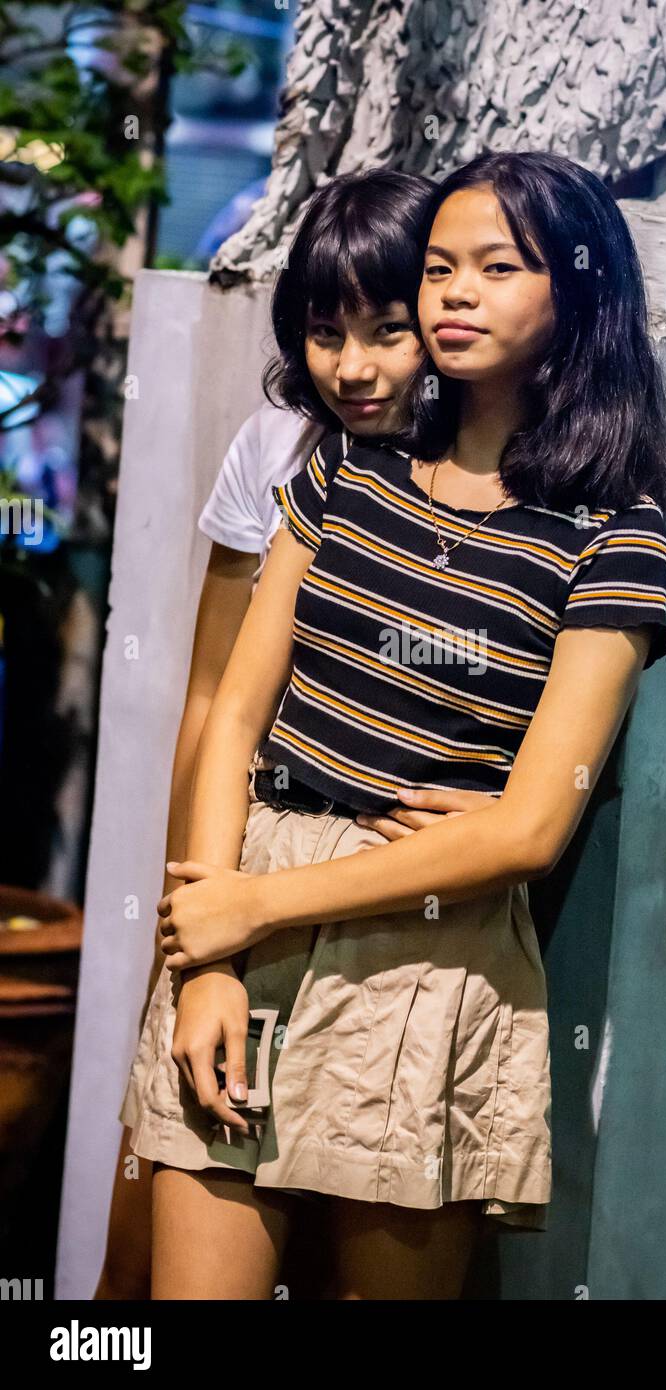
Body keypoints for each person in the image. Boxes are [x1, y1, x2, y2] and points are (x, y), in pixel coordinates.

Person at [123, 151, 666, 1300]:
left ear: (579, 295)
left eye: (495, 267)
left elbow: (528, 831)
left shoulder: (611, 536)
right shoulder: (344, 470)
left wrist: (248, 906)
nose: (454, 293)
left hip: (429, 949)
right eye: (438, 269)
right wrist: (210, 951)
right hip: (247, 921)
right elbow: (236, 714)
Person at [94, 167, 499, 1299]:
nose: (352, 365)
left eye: (386, 327)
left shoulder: (507, 468)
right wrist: (192, 924)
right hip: (246, 872)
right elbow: (216, 701)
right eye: (325, 331)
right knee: (156, 1241)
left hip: (410, 913)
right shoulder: (279, 450)